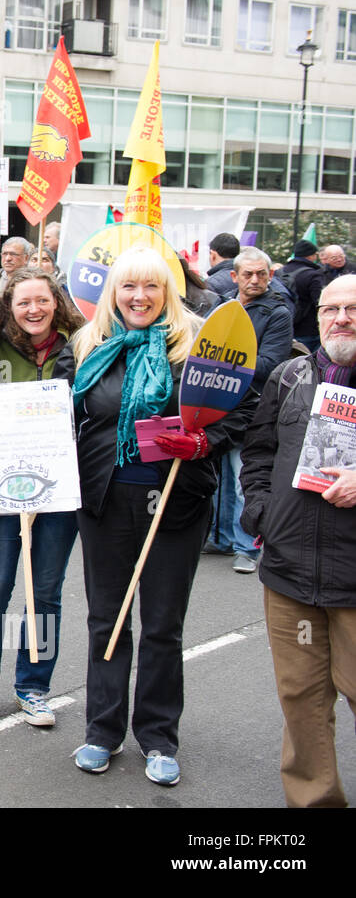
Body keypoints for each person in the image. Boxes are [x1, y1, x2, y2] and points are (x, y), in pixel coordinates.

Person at [55, 247, 253, 786]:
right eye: (128, 286)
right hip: (104, 502)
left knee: (163, 625)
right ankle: (102, 731)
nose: (139, 297)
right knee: (107, 620)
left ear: (168, 292)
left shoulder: (197, 346)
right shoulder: (86, 345)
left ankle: (159, 737)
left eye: (151, 286)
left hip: (176, 502)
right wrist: (0, 425)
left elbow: (242, 409)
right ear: (113, 293)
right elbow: (54, 413)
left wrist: (206, 442)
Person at [240, 274, 356, 807]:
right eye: (331, 309)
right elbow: (259, 451)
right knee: (302, 699)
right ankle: (315, 801)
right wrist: (262, 515)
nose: (341, 319)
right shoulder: (290, 376)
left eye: (353, 309)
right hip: (290, 573)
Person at [0, 267, 84, 728]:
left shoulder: (82, 347)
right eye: (23, 302)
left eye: (42, 300)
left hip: (58, 489)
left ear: (57, 302)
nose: (34, 309)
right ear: (9, 307)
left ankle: (34, 687)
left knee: (44, 592)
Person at [202, 247, 293, 573]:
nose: (255, 280)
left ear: (270, 275)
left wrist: (224, 358)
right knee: (221, 476)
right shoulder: (223, 305)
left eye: (261, 274)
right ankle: (222, 538)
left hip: (254, 405)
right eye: (248, 274)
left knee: (244, 479)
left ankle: (247, 547)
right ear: (234, 276)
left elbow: (269, 364)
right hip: (219, 401)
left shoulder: (278, 312)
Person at [278, 240, 324, 350]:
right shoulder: (313, 275)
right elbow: (320, 302)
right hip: (308, 331)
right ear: (310, 256)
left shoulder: (278, 272)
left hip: (282, 326)